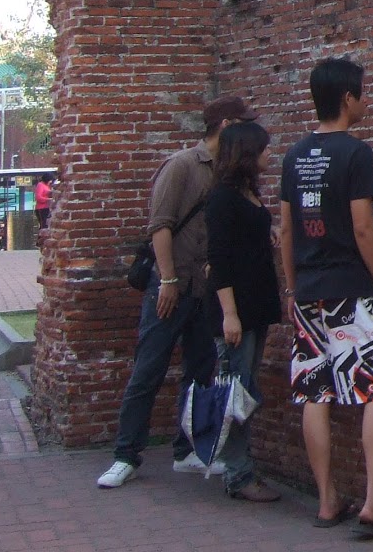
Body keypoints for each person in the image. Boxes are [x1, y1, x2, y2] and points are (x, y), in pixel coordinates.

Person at [97, 96, 257, 489]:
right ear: (223, 124)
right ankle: (125, 454)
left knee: (200, 371)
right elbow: (161, 226)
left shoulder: (229, 172)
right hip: (171, 285)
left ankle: (187, 449)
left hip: (205, 291)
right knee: (148, 369)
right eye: (240, 122)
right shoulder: (183, 165)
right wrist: (167, 279)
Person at [279, 57, 373, 537]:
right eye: (362, 93)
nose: (365, 101)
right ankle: (372, 503)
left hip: (308, 290)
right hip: (352, 288)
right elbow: (363, 226)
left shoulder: (295, 156)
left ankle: (327, 500)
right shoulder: (355, 153)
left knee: (315, 391)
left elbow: (285, 229)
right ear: (347, 99)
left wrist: (291, 285)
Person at [205, 120, 282, 502]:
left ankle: (240, 469)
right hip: (239, 310)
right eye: (265, 148)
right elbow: (218, 259)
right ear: (248, 154)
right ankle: (237, 473)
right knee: (239, 391)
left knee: (246, 388)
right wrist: (229, 315)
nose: (270, 154)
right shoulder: (222, 198)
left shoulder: (249, 193)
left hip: (257, 304)